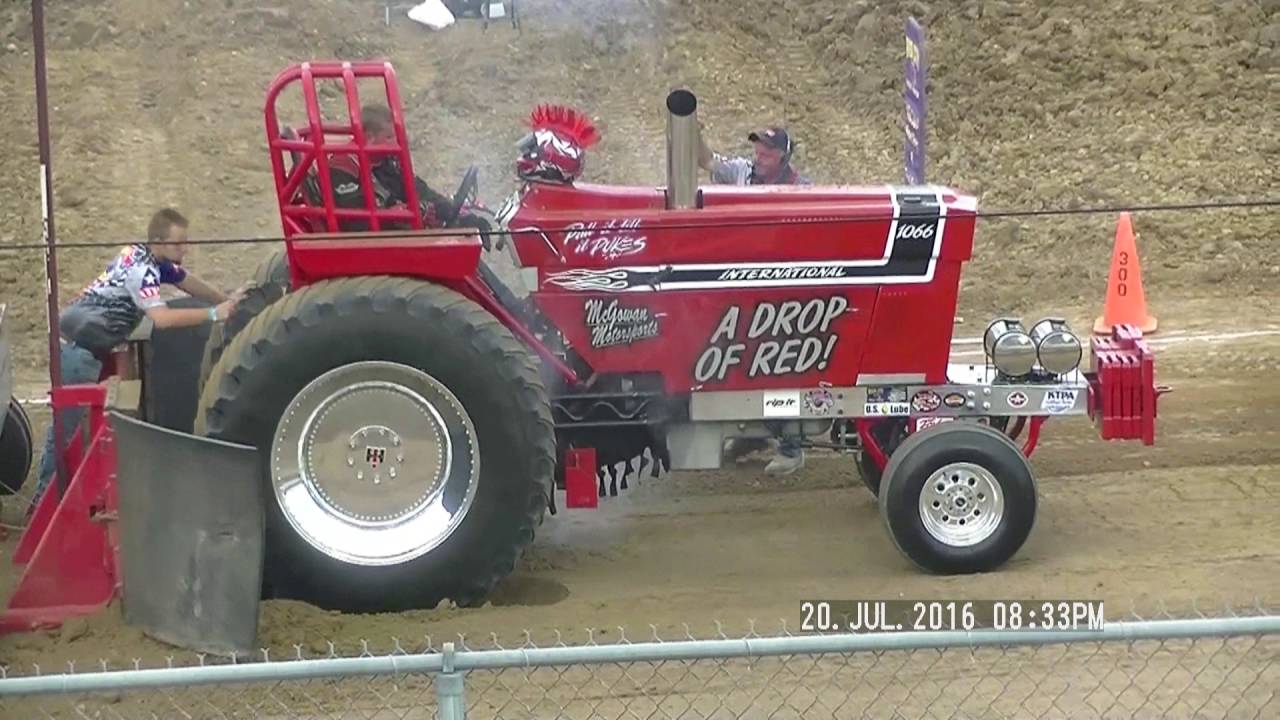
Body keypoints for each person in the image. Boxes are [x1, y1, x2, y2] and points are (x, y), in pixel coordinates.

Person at [30, 208, 243, 510]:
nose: (185, 248)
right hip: (79, 351)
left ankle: (54, 503)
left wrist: (227, 300)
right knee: (65, 434)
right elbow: (162, 319)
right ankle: (43, 507)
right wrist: (214, 314)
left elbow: (187, 281)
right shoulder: (142, 271)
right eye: (179, 242)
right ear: (159, 241)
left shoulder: (147, 257)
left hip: (82, 344)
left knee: (71, 432)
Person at [700, 125, 813, 476]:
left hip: (783, 290)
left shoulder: (802, 189)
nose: (759, 156)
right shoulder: (739, 172)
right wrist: (695, 132)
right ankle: (755, 433)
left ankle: (791, 448)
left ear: (783, 156)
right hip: (740, 284)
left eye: (766, 151)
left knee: (777, 364)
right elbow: (705, 160)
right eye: (757, 150)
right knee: (732, 358)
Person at [327, 104, 464, 232]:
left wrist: (448, 209)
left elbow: (417, 189)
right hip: (370, 244)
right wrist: (393, 216)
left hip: (394, 236)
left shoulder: (387, 161)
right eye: (389, 137)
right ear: (370, 138)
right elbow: (356, 222)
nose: (396, 142)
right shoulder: (343, 168)